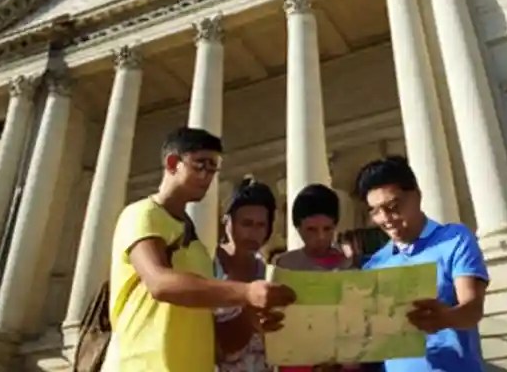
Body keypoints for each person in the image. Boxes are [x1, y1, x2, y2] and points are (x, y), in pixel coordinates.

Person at [106, 126, 296, 372]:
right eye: (201, 165)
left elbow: (216, 337)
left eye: (213, 169)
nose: (207, 177)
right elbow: (159, 283)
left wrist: (250, 317)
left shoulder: (195, 245)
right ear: (173, 163)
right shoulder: (143, 214)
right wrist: (246, 292)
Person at [356, 156, 490, 372]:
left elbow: (472, 309)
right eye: (375, 211)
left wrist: (445, 317)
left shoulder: (455, 239)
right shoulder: (374, 265)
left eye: (392, 206)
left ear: (417, 196)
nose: (386, 218)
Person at [273, 184, 359, 372]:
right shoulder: (285, 265)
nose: (321, 237)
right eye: (311, 230)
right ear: (298, 228)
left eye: (327, 229)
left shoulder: (349, 266)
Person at [215, 177, 280, 372]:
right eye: (247, 224)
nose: (253, 233)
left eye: (261, 225)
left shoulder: (267, 272)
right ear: (227, 222)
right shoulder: (209, 266)